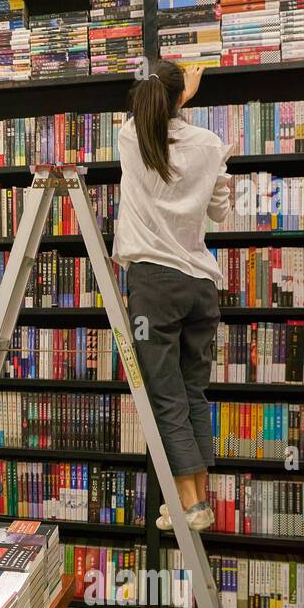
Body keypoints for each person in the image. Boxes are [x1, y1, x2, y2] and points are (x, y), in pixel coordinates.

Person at [113, 59, 236, 532]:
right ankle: (196, 500)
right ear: (181, 96)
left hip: (154, 284)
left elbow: (153, 108)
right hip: (201, 286)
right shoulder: (210, 145)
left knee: (165, 395)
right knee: (192, 392)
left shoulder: (131, 137)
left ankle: (189, 503)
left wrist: (179, 92)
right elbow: (221, 213)